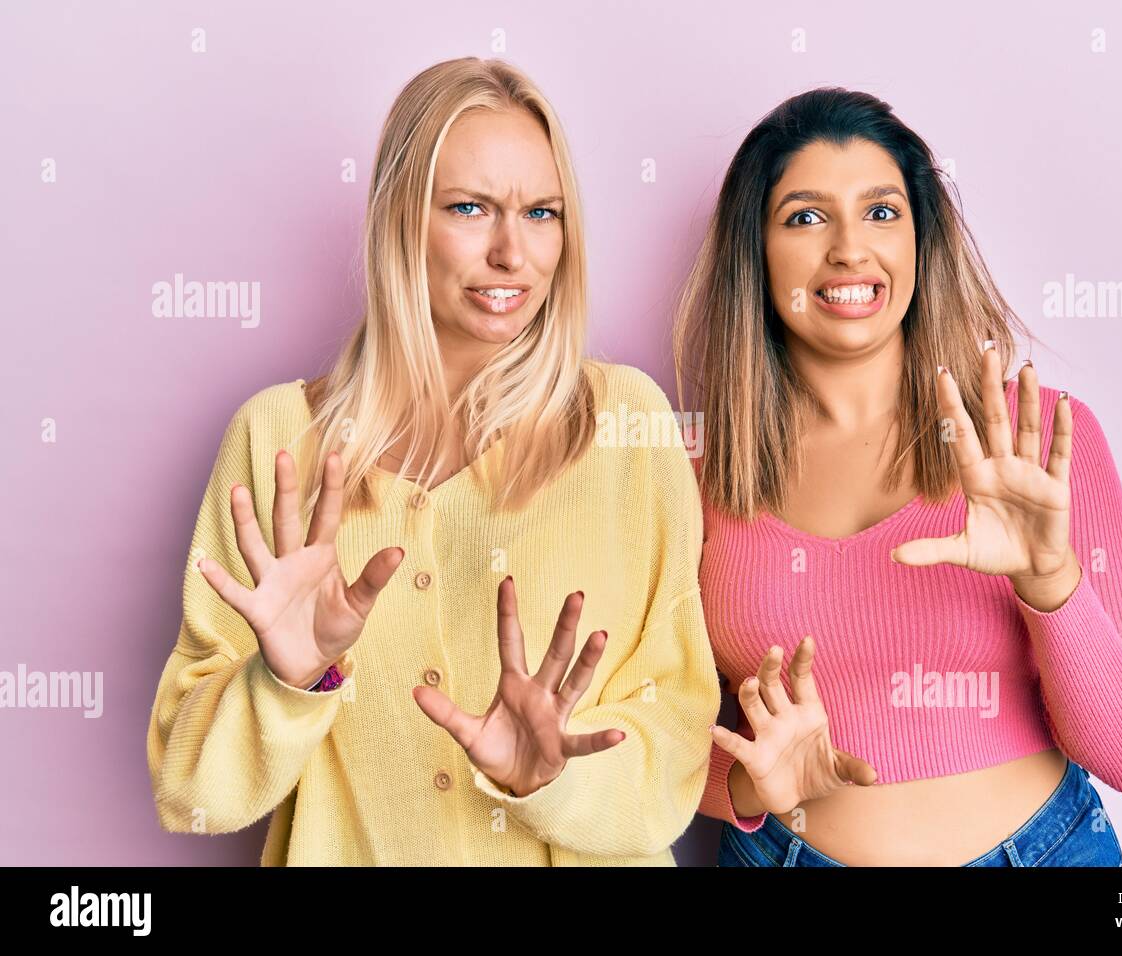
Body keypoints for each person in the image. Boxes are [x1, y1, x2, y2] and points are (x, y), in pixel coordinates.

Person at [146, 57, 719, 866]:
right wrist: (286, 681)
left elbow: (678, 735)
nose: (512, 253)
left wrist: (547, 779)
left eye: (542, 212)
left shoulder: (625, 424)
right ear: (399, 222)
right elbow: (194, 796)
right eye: (469, 208)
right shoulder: (276, 439)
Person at [675, 87, 1122, 866]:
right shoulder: (693, 471)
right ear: (756, 252)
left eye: (881, 212)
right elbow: (652, 741)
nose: (848, 248)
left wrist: (1051, 580)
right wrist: (745, 787)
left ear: (921, 240)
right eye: (805, 217)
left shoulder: (1036, 439)